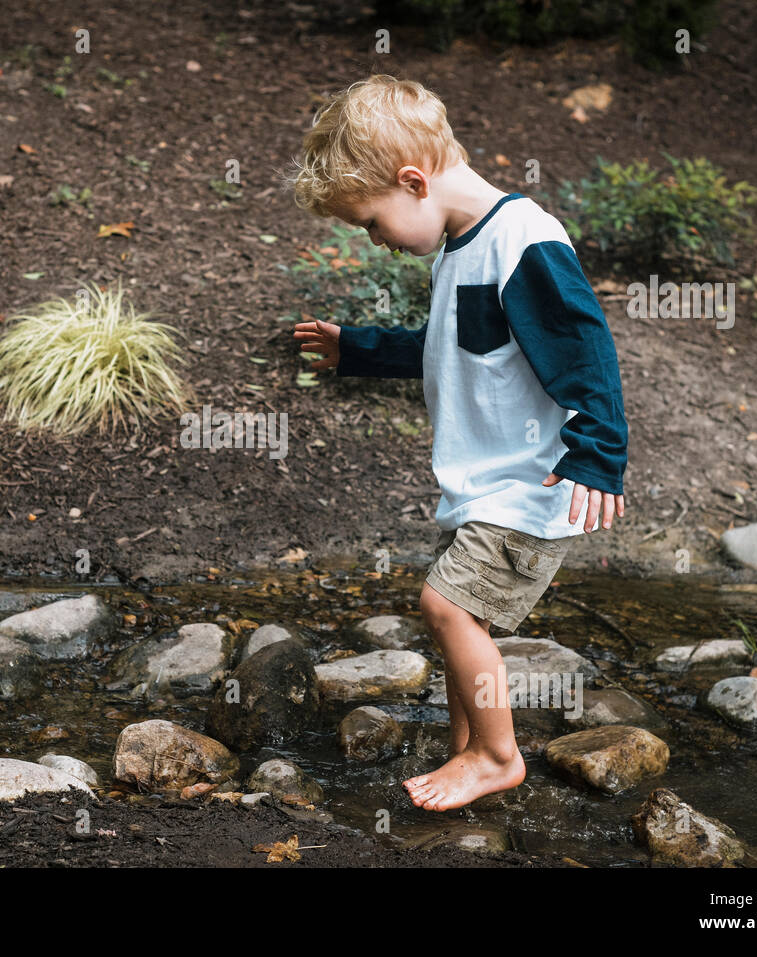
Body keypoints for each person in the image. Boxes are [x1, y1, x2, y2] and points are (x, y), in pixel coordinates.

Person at [283, 74, 629, 811]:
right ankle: (470, 747)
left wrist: (600, 454)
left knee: (444, 606)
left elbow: (587, 351)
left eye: (371, 222)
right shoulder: (460, 249)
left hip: (536, 482)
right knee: (456, 614)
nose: (376, 239)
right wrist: (363, 349)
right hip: (488, 489)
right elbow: (447, 346)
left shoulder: (522, 242)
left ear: (413, 181)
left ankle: (499, 756)